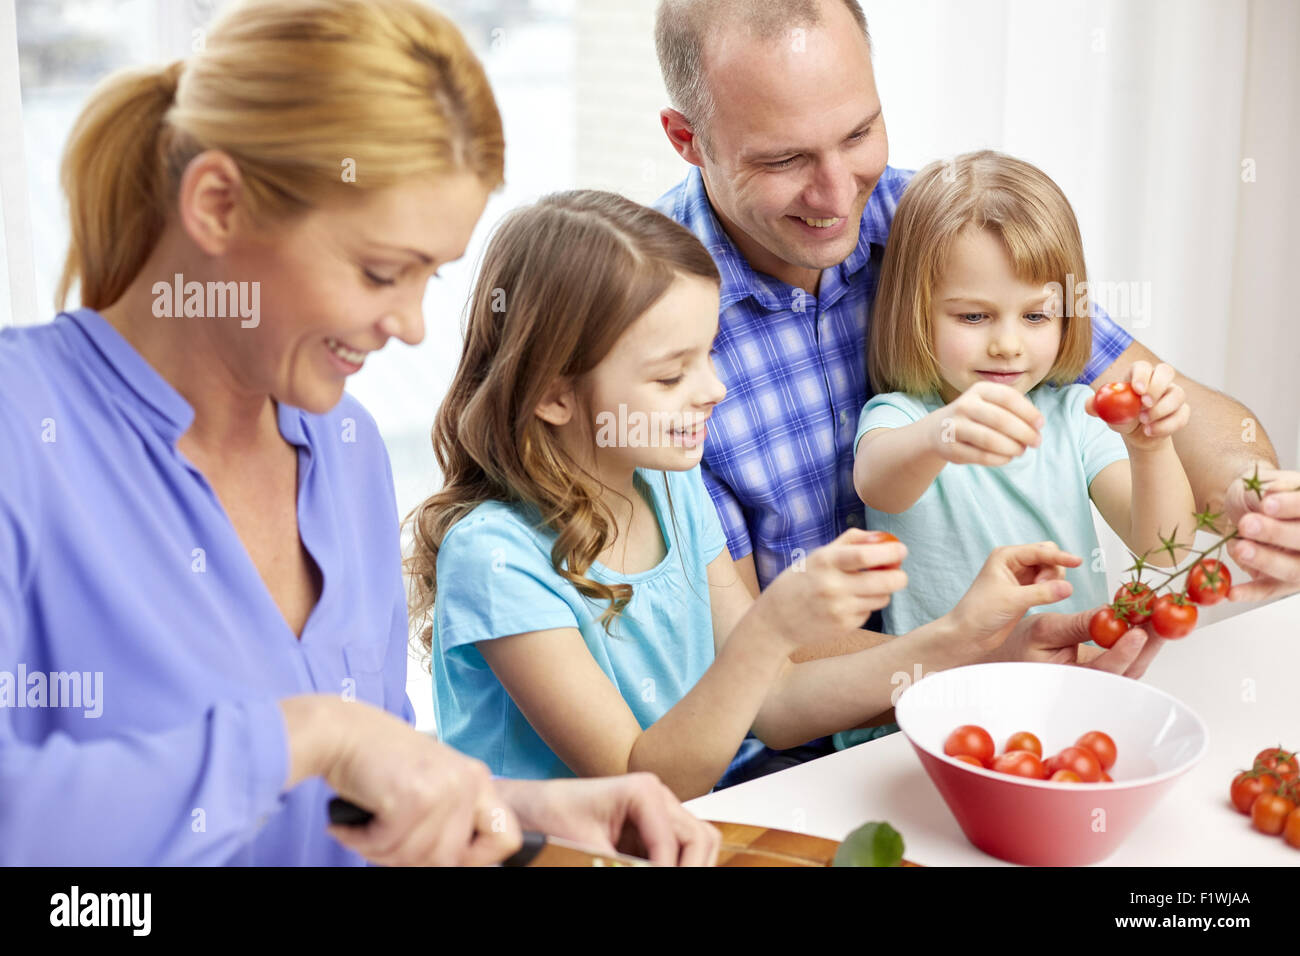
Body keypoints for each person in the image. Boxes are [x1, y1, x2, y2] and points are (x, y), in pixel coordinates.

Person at [0, 0, 718, 867]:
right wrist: (310, 733)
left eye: (431, 276)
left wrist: (524, 810)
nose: (413, 326)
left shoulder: (344, 449)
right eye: (382, 271)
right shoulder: (22, 429)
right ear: (218, 205)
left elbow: (351, 805)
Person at [651, 0, 1300, 778]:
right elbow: (753, 648)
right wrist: (983, 667)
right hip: (802, 761)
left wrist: (1251, 497)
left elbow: (1179, 417)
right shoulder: (650, 325)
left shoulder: (941, 223)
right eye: (783, 160)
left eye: (858, 134)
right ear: (687, 139)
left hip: (1040, 707)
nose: (835, 195)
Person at [412, 188, 1135, 802]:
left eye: (708, 356)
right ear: (553, 396)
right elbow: (646, 784)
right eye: (671, 376)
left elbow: (778, 707)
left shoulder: (670, 487)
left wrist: (973, 644)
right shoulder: (496, 558)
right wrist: (773, 627)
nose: (713, 390)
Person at [836, 151, 1197, 749]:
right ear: (915, 313)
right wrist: (943, 434)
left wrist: (1151, 449)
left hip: (1061, 704)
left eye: (1036, 316)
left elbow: (1166, 547)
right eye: (974, 315)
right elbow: (879, 482)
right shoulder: (904, 416)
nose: (1007, 344)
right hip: (940, 714)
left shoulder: (1076, 417)